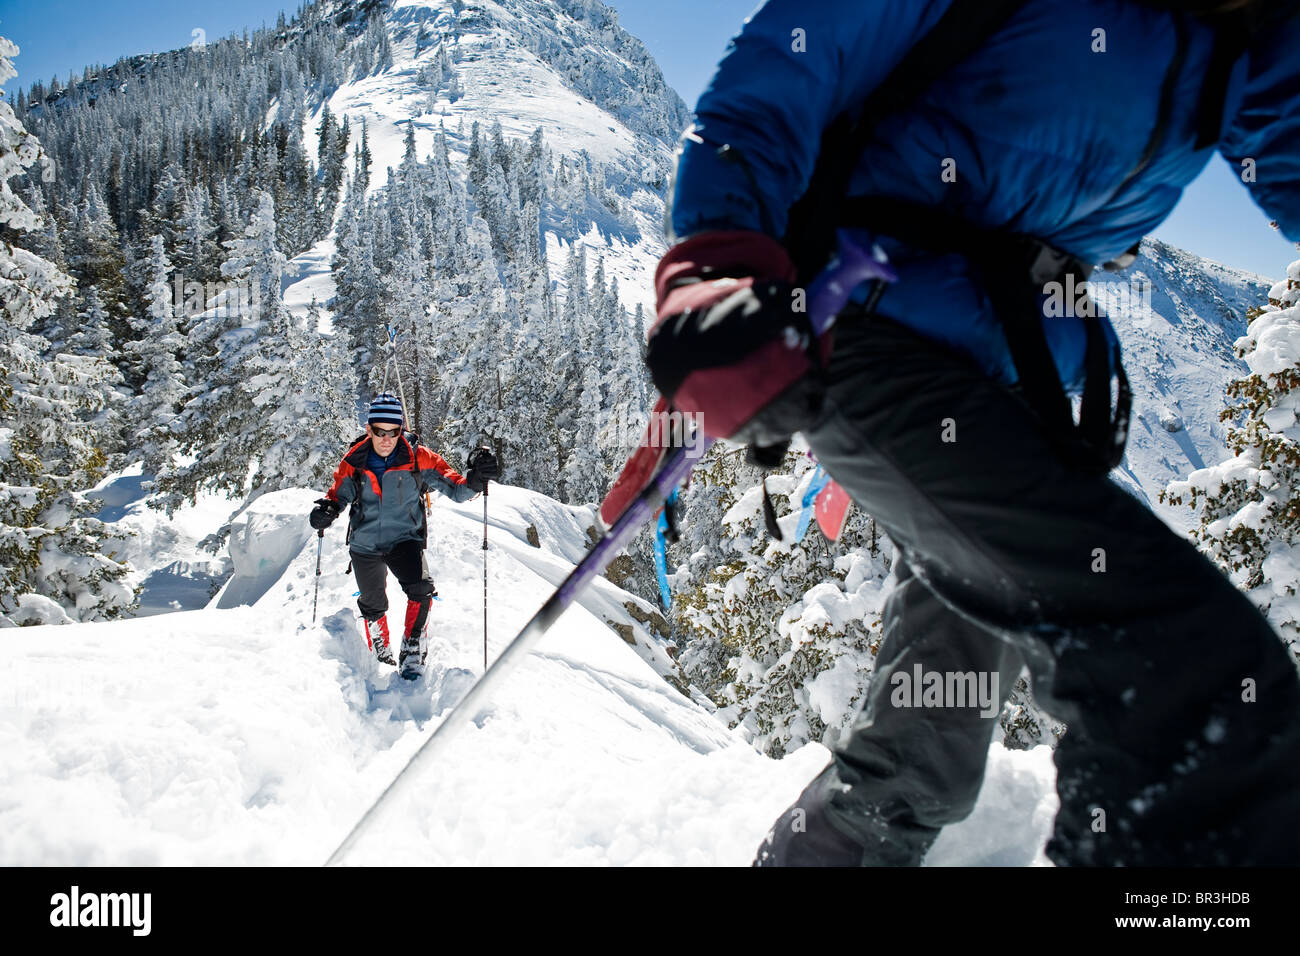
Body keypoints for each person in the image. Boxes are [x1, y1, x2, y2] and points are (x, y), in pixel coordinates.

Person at [644, 0, 1300, 865]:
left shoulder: (1245, 34)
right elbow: (791, 61)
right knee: (1184, 686)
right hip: (857, 322)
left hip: (1001, 380)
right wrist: (716, 267)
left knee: (928, 744)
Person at [310, 393, 499, 668]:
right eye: (379, 431)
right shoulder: (355, 460)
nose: (386, 439)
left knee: (421, 589)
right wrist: (326, 510)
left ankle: (412, 646)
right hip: (365, 543)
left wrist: (476, 479)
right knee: (373, 603)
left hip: (404, 539)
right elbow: (338, 494)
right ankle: (379, 647)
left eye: (393, 431)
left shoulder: (419, 458)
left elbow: (456, 488)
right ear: (369, 430)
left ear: (402, 430)